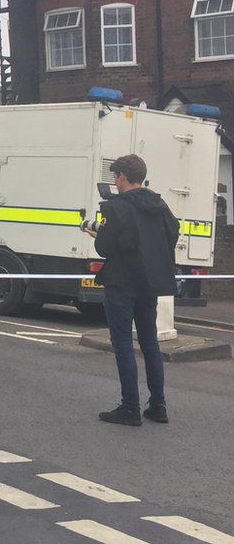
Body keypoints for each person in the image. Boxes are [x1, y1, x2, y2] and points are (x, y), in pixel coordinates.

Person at [87, 154, 179, 426]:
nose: (114, 183)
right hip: (149, 283)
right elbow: (173, 233)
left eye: (116, 177)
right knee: (150, 343)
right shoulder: (160, 204)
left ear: (123, 178)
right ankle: (158, 405)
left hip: (122, 282)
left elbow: (104, 248)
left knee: (124, 343)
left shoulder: (116, 208)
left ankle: (130, 407)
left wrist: (97, 233)